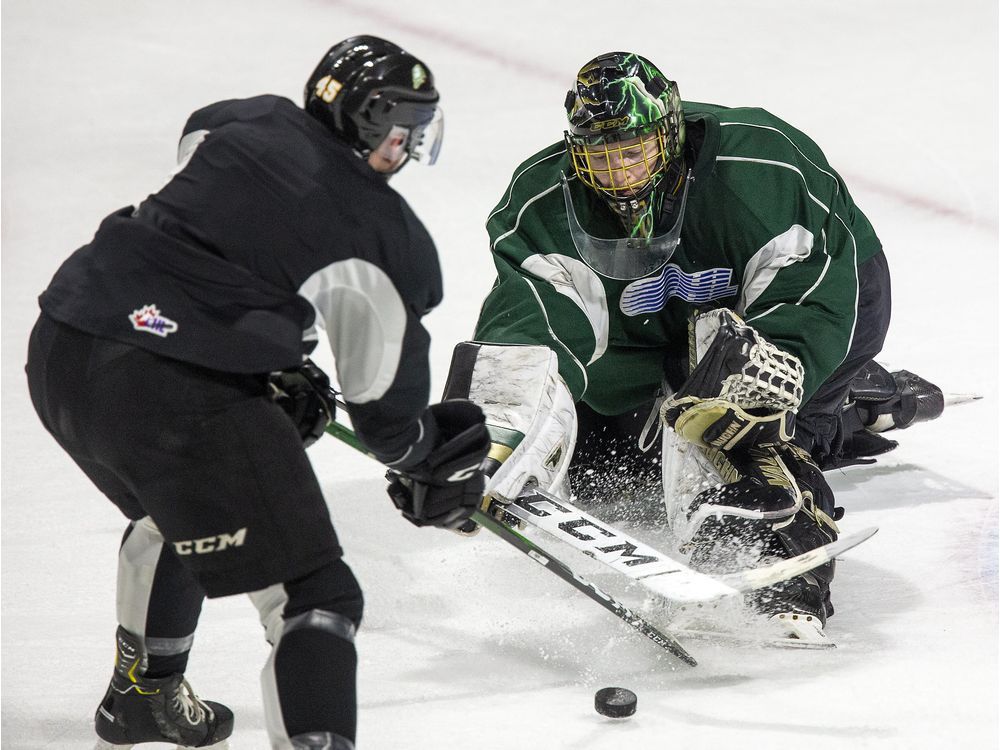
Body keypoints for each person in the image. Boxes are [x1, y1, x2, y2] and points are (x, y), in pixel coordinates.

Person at [26, 36, 490, 750]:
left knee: (179, 510)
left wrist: (265, 348)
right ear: (377, 124)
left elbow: (199, 159)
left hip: (65, 344)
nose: (412, 144)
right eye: (409, 127)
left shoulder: (244, 120)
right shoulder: (384, 237)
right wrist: (432, 450)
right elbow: (385, 423)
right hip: (170, 394)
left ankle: (143, 695)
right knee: (318, 597)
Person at [442, 51, 943, 636]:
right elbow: (534, 327)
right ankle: (835, 407)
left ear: (670, 132)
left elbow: (813, 294)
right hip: (653, 336)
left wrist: (772, 381)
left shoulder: (761, 167)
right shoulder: (544, 200)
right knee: (615, 473)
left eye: (632, 152)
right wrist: (491, 437)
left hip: (823, 306)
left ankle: (788, 573)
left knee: (742, 442)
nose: (620, 174)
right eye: (600, 157)